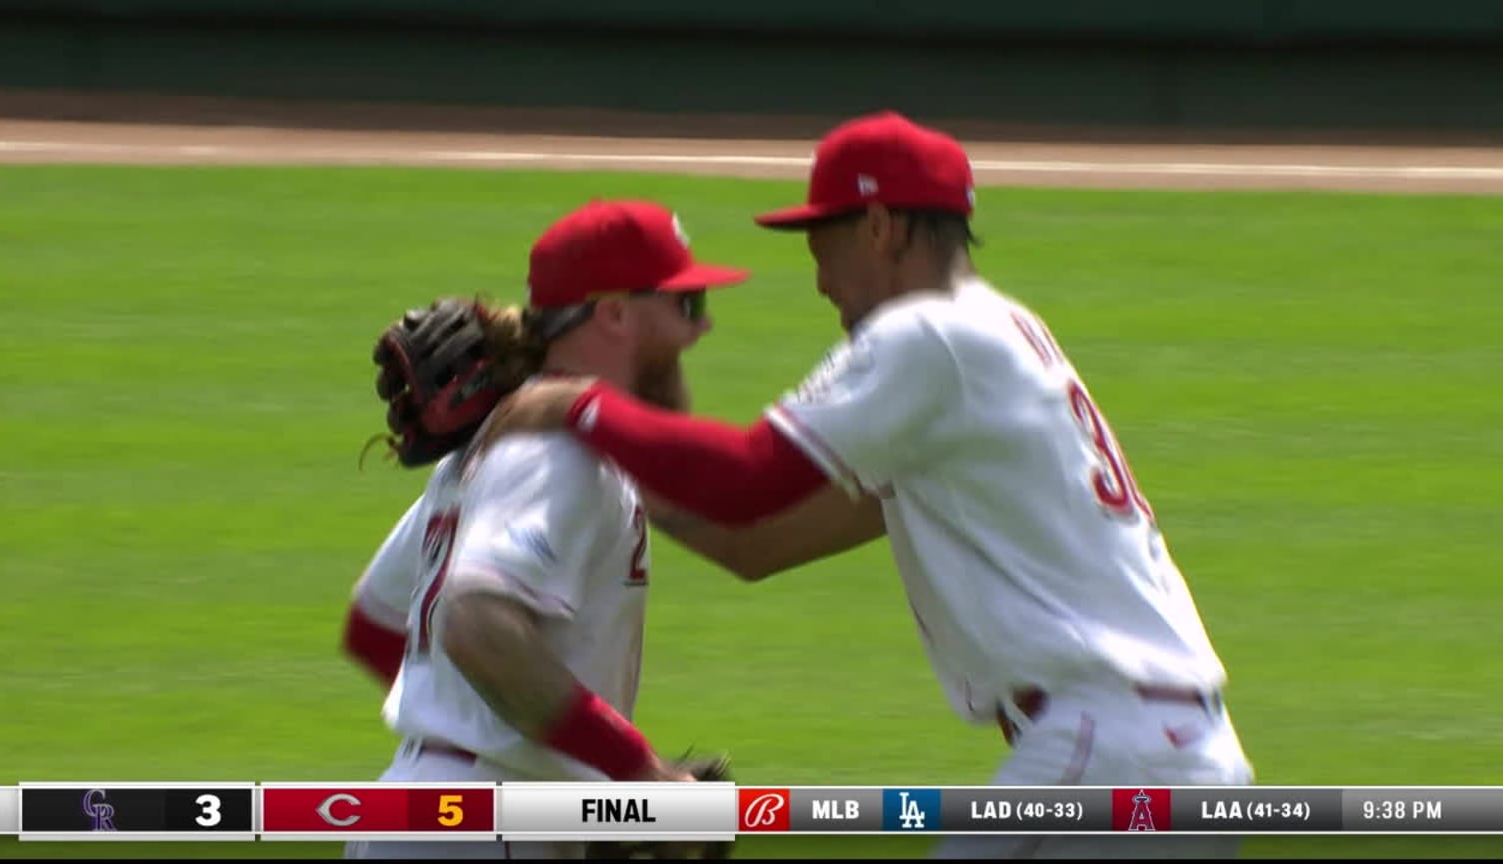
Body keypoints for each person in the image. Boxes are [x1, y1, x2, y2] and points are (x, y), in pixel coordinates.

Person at [480, 111, 1255, 858]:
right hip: (1166, 749)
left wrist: (575, 404)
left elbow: (745, 481)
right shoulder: (995, 336)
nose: (819, 278)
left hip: (1108, 749)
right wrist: (617, 465)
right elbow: (757, 542)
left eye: (822, 241)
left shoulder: (928, 335)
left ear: (880, 227)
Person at [339, 198, 749, 859]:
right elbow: (477, 627)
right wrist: (635, 775)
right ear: (613, 313)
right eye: (685, 307)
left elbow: (374, 623)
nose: (698, 331)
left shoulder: (500, 447)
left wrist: (548, 766)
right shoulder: (559, 454)